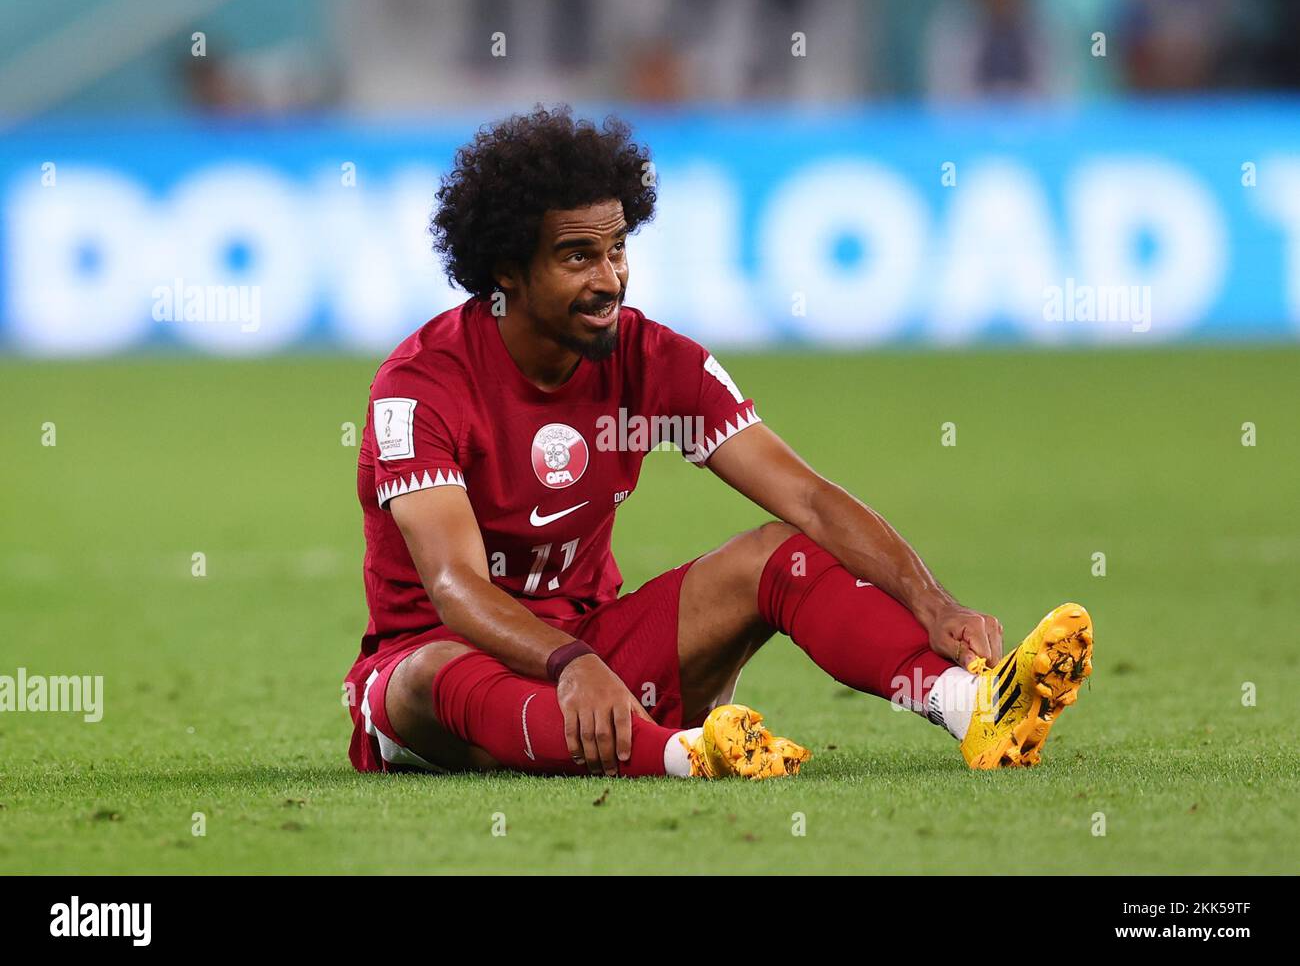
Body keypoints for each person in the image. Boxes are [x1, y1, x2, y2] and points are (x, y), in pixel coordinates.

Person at [343, 105, 1093, 780]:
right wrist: (570, 663)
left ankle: (972, 706)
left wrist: (933, 605)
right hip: (442, 676)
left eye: (617, 250)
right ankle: (684, 754)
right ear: (507, 270)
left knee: (779, 551)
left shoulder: (652, 359)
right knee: (426, 674)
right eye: (578, 258)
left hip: (595, 654)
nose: (610, 280)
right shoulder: (420, 385)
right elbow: (453, 586)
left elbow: (807, 498)